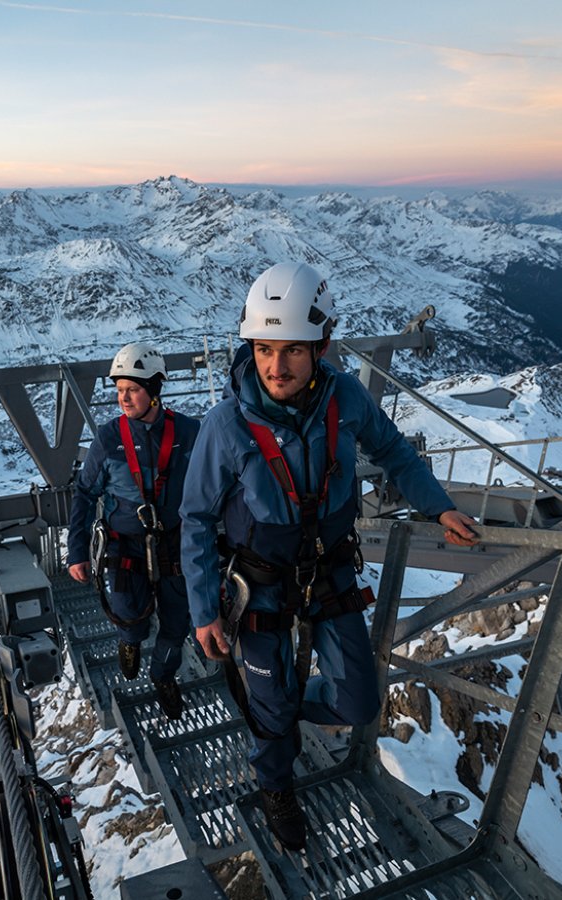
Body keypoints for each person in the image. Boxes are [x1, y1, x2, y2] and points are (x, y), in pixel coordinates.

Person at [180, 262, 479, 850]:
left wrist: (436, 507)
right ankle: (276, 784)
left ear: (320, 345)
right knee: (270, 710)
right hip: (257, 588)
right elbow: (194, 520)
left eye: (291, 350)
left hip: (331, 574)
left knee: (357, 702)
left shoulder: (344, 399)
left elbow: (393, 450)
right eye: (263, 349)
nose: (275, 366)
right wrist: (201, 609)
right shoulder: (227, 426)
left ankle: (283, 708)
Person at [67, 342, 201, 720]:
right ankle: (130, 641)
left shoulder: (188, 433)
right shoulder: (109, 439)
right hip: (124, 545)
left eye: (133, 390)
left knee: (177, 622)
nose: (123, 398)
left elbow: (213, 483)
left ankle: (163, 675)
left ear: (154, 390)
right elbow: (85, 492)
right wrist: (76, 551)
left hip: (174, 544)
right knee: (128, 613)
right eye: (119, 390)